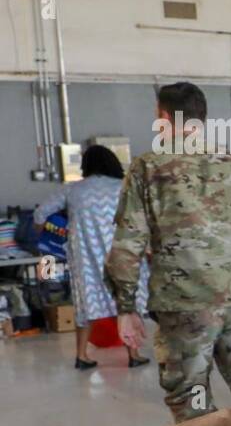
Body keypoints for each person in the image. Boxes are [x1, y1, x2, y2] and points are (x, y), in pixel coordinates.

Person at [105, 82, 231, 420]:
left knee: (192, 404)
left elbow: (127, 247)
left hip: (183, 307)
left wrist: (125, 308)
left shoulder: (147, 169)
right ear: (201, 118)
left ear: (163, 116)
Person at [34, 145, 149, 369]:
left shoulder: (73, 190)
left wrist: (44, 231)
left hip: (85, 257)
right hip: (121, 254)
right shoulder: (124, 187)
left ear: (85, 166)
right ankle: (133, 354)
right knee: (127, 301)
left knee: (86, 304)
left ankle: (82, 355)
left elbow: (40, 213)